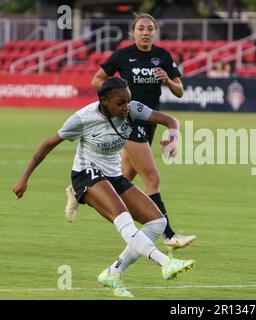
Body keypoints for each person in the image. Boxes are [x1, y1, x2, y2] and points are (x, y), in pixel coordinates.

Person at [13, 77, 196, 298]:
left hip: (113, 175)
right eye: (120, 103)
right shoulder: (82, 118)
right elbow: (47, 145)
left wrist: (173, 138)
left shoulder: (133, 109)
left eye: (128, 101)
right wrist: (24, 178)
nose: (126, 107)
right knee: (124, 218)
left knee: (157, 222)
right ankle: (164, 262)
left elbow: (169, 120)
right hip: (85, 175)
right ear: (103, 101)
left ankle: (113, 273)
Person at [64, 13, 196, 250]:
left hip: (150, 121)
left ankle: (77, 190)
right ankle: (168, 235)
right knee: (152, 178)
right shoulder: (123, 56)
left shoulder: (162, 56)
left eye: (150, 29)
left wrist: (168, 80)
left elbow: (180, 91)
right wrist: (117, 95)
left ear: (155, 32)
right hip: (128, 122)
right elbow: (97, 80)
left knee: (122, 179)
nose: (145, 32)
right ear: (133, 32)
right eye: (141, 28)